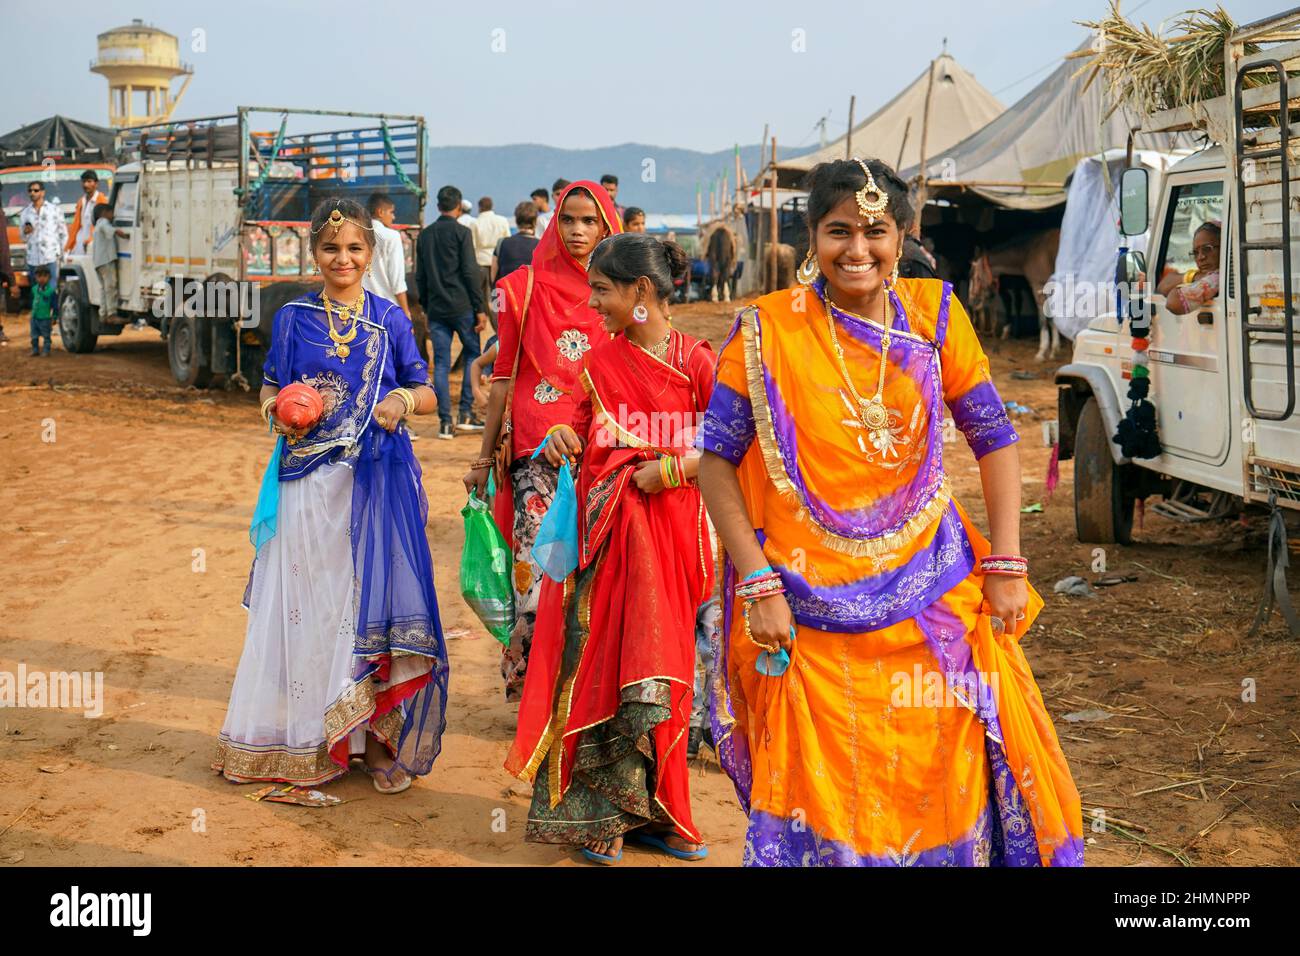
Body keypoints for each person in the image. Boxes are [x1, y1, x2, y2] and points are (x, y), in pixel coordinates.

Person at [696, 157, 1084, 867]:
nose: (857, 249)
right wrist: (756, 583)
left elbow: (995, 437)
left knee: (949, 764)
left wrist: (1005, 563)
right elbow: (715, 461)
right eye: (838, 230)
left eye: (875, 231)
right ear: (810, 236)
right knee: (828, 789)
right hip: (805, 608)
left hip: (932, 595)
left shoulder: (938, 313)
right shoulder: (767, 332)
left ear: (901, 237)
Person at [214, 197, 447, 794]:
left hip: (370, 482)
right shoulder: (291, 316)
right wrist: (277, 410)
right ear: (312, 253)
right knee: (303, 605)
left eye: (354, 249)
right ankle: (298, 734)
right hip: (303, 485)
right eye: (330, 248)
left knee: (358, 608)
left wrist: (400, 401)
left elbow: (427, 392)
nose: (342, 259)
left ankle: (367, 741)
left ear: (371, 255)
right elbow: (270, 381)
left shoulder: (390, 320)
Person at [504, 232, 714, 864]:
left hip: (674, 540)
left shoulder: (698, 362)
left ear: (640, 292)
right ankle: (601, 816)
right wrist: (562, 441)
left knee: (663, 670)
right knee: (601, 665)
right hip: (609, 545)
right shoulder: (598, 364)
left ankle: (662, 814)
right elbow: (579, 432)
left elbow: (733, 446)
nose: (591, 302)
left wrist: (671, 471)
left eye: (601, 290)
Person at [463, 181, 622, 702]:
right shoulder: (522, 288)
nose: (577, 231)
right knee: (534, 579)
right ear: (555, 222)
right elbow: (504, 376)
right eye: (569, 219)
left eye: (589, 222)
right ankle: (536, 694)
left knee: (593, 579)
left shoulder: (621, 294)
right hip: (536, 454)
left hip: (601, 455)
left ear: (606, 227)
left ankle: (585, 694)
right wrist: (484, 459)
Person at [416, 185, 489, 439]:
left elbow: (420, 276)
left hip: (436, 308)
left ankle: (445, 422)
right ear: (458, 207)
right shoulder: (462, 232)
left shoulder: (425, 236)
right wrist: (480, 308)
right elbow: (470, 272)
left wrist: (425, 308)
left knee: (441, 365)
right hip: (462, 307)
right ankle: (465, 412)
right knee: (473, 355)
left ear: (438, 206)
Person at [1157, 220, 1221, 316]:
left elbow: (1173, 303)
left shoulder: (1216, 279)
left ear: (1224, 246)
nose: (1200, 257)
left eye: (1207, 249)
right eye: (1195, 253)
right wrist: (1195, 276)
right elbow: (1163, 286)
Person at [362, 192, 410, 315]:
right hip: (386, 310)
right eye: (391, 212)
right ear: (380, 212)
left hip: (360, 308)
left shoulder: (357, 234)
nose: (393, 217)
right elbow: (397, 282)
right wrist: (406, 313)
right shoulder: (392, 237)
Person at [20, 181, 67, 292]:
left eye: (36, 190)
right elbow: (22, 238)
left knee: (51, 290)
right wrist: (25, 232)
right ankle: (40, 310)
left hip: (50, 257)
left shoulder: (54, 210)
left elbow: (63, 233)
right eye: (30, 191)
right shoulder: (25, 213)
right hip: (33, 259)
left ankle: (52, 309)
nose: (32, 193)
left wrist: (61, 254)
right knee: (36, 291)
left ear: (43, 192)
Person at [472, 196, 512, 317]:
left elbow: (473, 245)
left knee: (481, 295)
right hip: (498, 262)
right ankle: (498, 321)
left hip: (480, 262)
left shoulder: (475, 223)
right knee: (497, 296)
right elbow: (507, 240)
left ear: (479, 208)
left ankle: (482, 316)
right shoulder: (502, 220)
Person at [491, 201, 541, 287]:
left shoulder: (502, 243)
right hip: (531, 297)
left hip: (506, 295)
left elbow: (493, 276)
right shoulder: (541, 246)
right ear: (535, 222)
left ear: (516, 220)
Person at [92, 204, 126, 319]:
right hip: (106, 260)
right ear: (104, 213)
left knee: (104, 288)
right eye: (111, 213)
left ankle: (103, 313)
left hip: (98, 262)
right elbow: (107, 229)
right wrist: (119, 232)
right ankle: (112, 313)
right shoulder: (103, 223)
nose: (113, 216)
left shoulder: (97, 225)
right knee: (110, 286)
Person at [66, 170, 107, 255]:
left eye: (89, 181)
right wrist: (69, 246)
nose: (86, 185)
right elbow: (76, 226)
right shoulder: (82, 201)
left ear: (96, 184)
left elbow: (101, 227)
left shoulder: (102, 201)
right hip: (79, 246)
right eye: (84, 181)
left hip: (94, 247)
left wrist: (90, 241)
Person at [29, 265, 56, 356]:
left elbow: (55, 306)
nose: (42, 279)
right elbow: (32, 302)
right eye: (39, 276)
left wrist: (54, 317)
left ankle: (46, 350)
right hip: (34, 317)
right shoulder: (33, 289)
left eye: (45, 276)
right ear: (35, 277)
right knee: (34, 336)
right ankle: (35, 350)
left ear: (49, 277)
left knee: (46, 336)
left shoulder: (51, 291)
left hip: (45, 318)